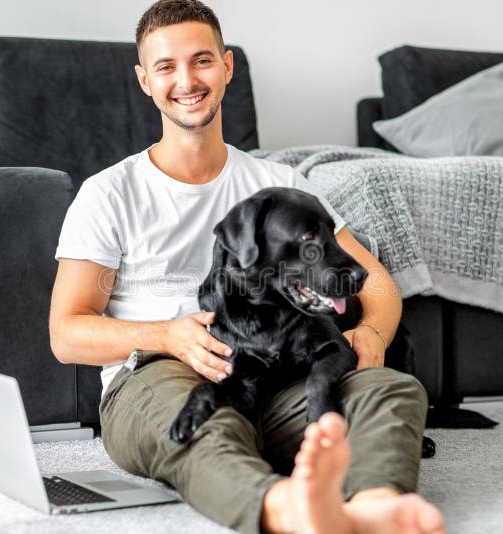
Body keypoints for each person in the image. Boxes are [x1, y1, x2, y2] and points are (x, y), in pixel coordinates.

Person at [49, 1, 445, 533]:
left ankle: (372, 504)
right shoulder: (108, 194)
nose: (187, 80)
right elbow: (66, 332)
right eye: (166, 67)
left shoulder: (281, 185)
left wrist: (371, 334)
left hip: (279, 375)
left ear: (228, 66)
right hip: (157, 376)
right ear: (145, 81)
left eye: (202, 60)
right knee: (203, 425)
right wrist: (168, 336)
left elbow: (373, 281)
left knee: (392, 391)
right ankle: (290, 512)